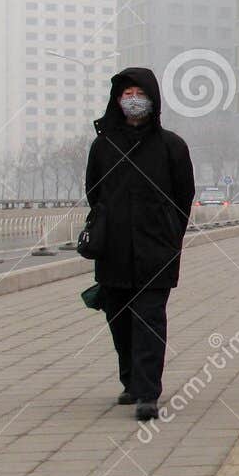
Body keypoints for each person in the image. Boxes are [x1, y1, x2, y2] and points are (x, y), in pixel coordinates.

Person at [84, 67, 195, 421]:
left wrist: (169, 235)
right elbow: (93, 192)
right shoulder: (103, 146)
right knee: (119, 318)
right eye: (126, 94)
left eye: (139, 93)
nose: (133, 100)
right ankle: (131, 381)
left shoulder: (171, 146)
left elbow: (184, 196)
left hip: (156, 251)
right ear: (117, 101)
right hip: (114, 249)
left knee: (149, 319)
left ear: (153, 99)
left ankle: (149, 392)